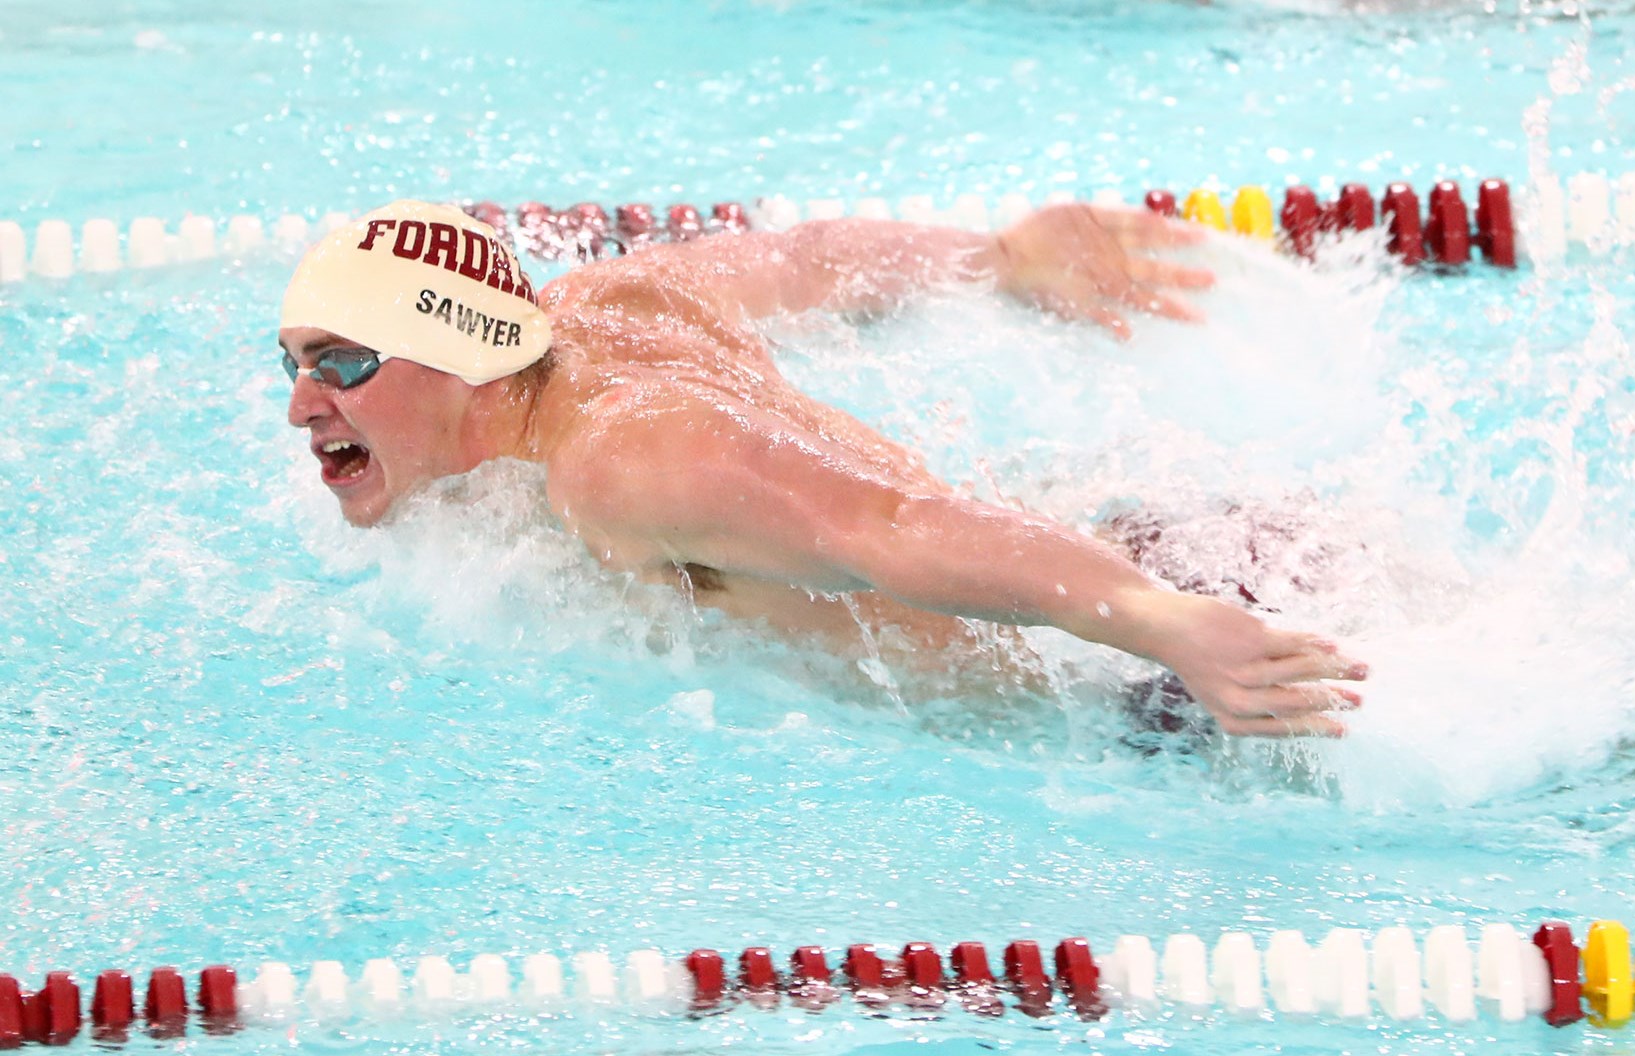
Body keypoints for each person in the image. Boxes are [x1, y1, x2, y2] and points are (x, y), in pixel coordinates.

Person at [278, 198, 1367, 737]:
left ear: (461, 355)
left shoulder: (614, 464)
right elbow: (808, 262)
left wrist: (1162, 624)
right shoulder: (601, 305)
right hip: (1160, 554)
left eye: (343, 362)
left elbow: (888, 531)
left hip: (1154, 678)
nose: (299, 406)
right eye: (292, 364)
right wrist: (990, 256)